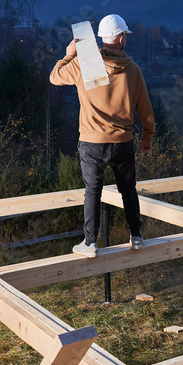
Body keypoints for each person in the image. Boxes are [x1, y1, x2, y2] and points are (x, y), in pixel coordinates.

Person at [50, 14, 156, 257]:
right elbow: (145, 108)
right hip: (123, 142)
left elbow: (54, 77)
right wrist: (147, 135)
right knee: (128, 189)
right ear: (121, 38)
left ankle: (90, 243)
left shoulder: (83, 64)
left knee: (93, 191)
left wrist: (70, 54)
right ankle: (136, 236)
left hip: (92, 142)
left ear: (101, 39)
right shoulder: (133, 71)